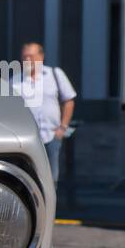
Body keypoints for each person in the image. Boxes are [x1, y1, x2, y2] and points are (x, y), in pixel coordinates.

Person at [14, 42, 75, 183]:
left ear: (41, 57)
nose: (28, 60)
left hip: (52, 135)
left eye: (31, 56)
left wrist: (63, 127)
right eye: (25, 57)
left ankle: (51, 205)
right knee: (30, 177)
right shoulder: (15, 81)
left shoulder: (55, 74)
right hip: (28, 138)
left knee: (51, 178)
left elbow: (69, 100)